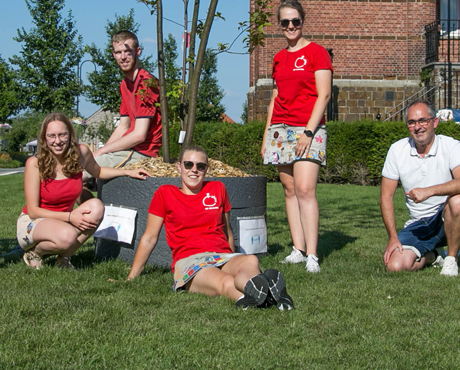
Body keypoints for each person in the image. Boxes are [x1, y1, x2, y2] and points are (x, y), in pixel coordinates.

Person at [128, 146, 294, 310]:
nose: (194, 170)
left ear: (206, 169)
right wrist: (131, 277)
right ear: (179, 166)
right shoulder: (165, 193)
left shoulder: (217, 189)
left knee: (250, 260)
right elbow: (149, 238)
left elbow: (226, 231)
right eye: (188, 164)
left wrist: (232, 258)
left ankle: (257, 288)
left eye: (200, 166)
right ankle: (263, 297)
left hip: (221, 255)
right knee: (225, 281)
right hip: (190, 260)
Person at [18, 112, 150, 269]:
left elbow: (98, 172)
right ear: (44, 138)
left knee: (96, 207)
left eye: (62, 135)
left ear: (70, 135)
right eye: (51, 136)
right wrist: (70, 216)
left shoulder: (81, 153)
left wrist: (127, 172)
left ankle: (64, 258)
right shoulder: (35, 163)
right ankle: (35, 253)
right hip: (33, 223)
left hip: (63, 221)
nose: (57, 141)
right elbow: (33, 211)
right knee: (68, 236)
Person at [260, 0, 332, 273]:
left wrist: (308, 132)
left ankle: (312, 254)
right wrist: (266, 137)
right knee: (289, 190)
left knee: (304, 189)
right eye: (285, 22)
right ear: (279, 25)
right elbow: (275, 97)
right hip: (279, 128)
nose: (290, 26)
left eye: (295, 21)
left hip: (307, 128)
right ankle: (297, 249)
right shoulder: (278, 58)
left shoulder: (317, 52)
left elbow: (323, 95)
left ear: (303, 22)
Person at [380, 101, 460, 277]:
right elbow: (386, 196)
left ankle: (452, 260)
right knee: (395, 265)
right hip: (418, 224)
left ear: (435, 122)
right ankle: (435, 256)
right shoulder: (397, 150)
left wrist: (429, 191)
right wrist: (392, 237)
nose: (418, 127)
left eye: (423, 121)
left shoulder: (451, 145)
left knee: (459, 199)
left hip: (447, 218)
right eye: (412, 122)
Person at [91, 30, 163, 178]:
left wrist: (102, 152)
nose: (123, 57)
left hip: (140, 152)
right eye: (118, 52)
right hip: (128, 149)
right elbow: (123, 126)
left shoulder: (146, 84)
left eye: (127, 52)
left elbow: (139, 135)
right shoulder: (125, 84)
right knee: (78, 172)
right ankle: (94, 202)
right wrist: (102, 150)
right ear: (113, 55)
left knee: (77, 173)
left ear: (138, 52)